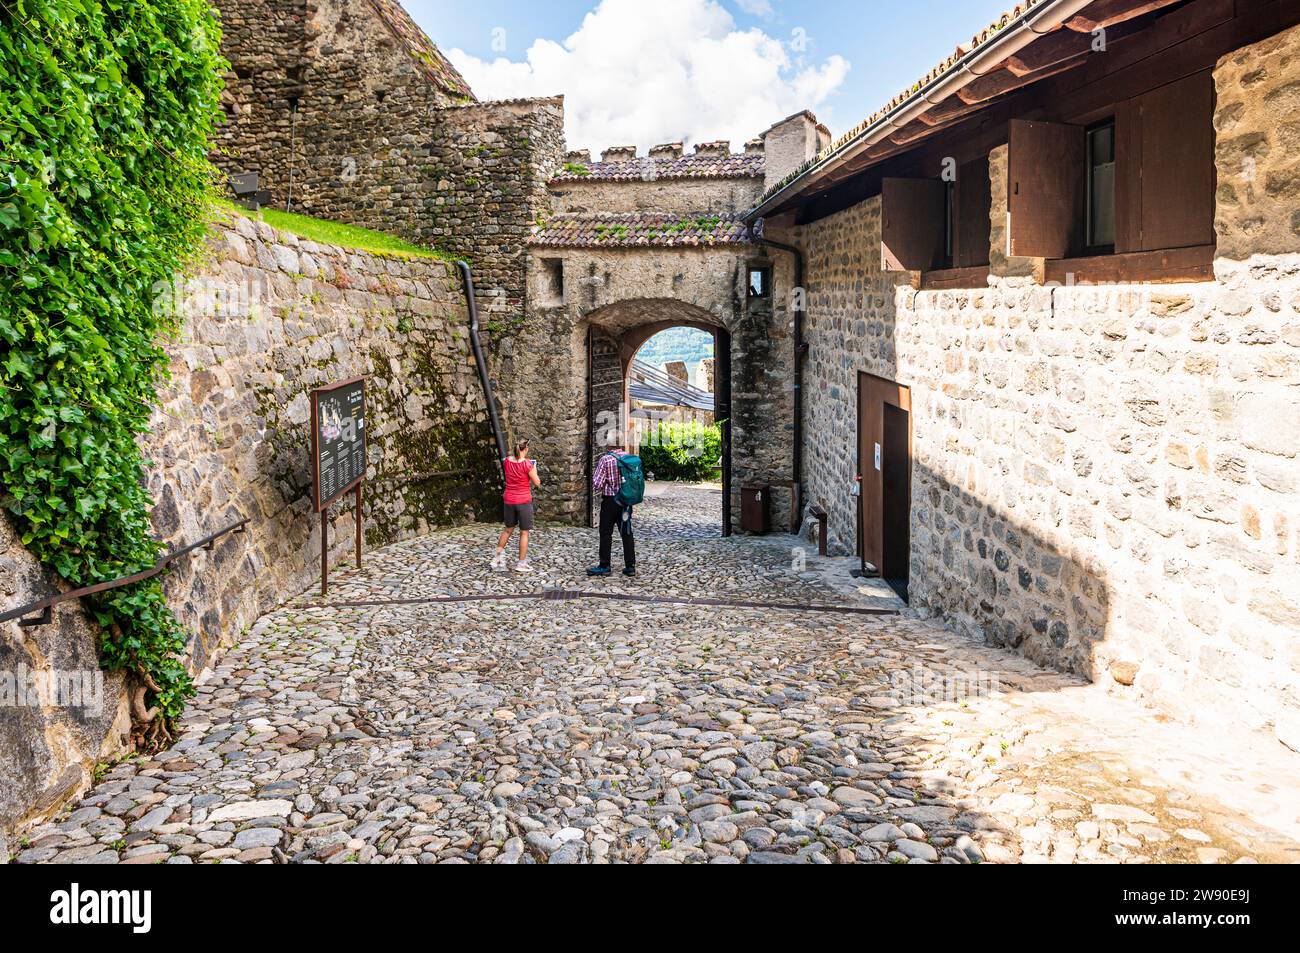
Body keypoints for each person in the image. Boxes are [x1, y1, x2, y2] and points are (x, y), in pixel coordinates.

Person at [588, 436, 642, 577]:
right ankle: (630, 566)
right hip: (626, 501)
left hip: (610, 501)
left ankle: (605, 565)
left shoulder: (606, 459)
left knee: (606, 533)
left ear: (609, 445)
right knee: (626, 532)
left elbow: (597, 483)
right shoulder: (629, 458)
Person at [491, 438, 541, 572]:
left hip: (509, 500)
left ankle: (497, 559)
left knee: (507, 529)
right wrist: (534, 469)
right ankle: (521, 563)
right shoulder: (528, 464)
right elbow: (537, 483)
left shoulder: (507, 461)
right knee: (524, 532)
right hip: (523, 501)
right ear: (526, 449)